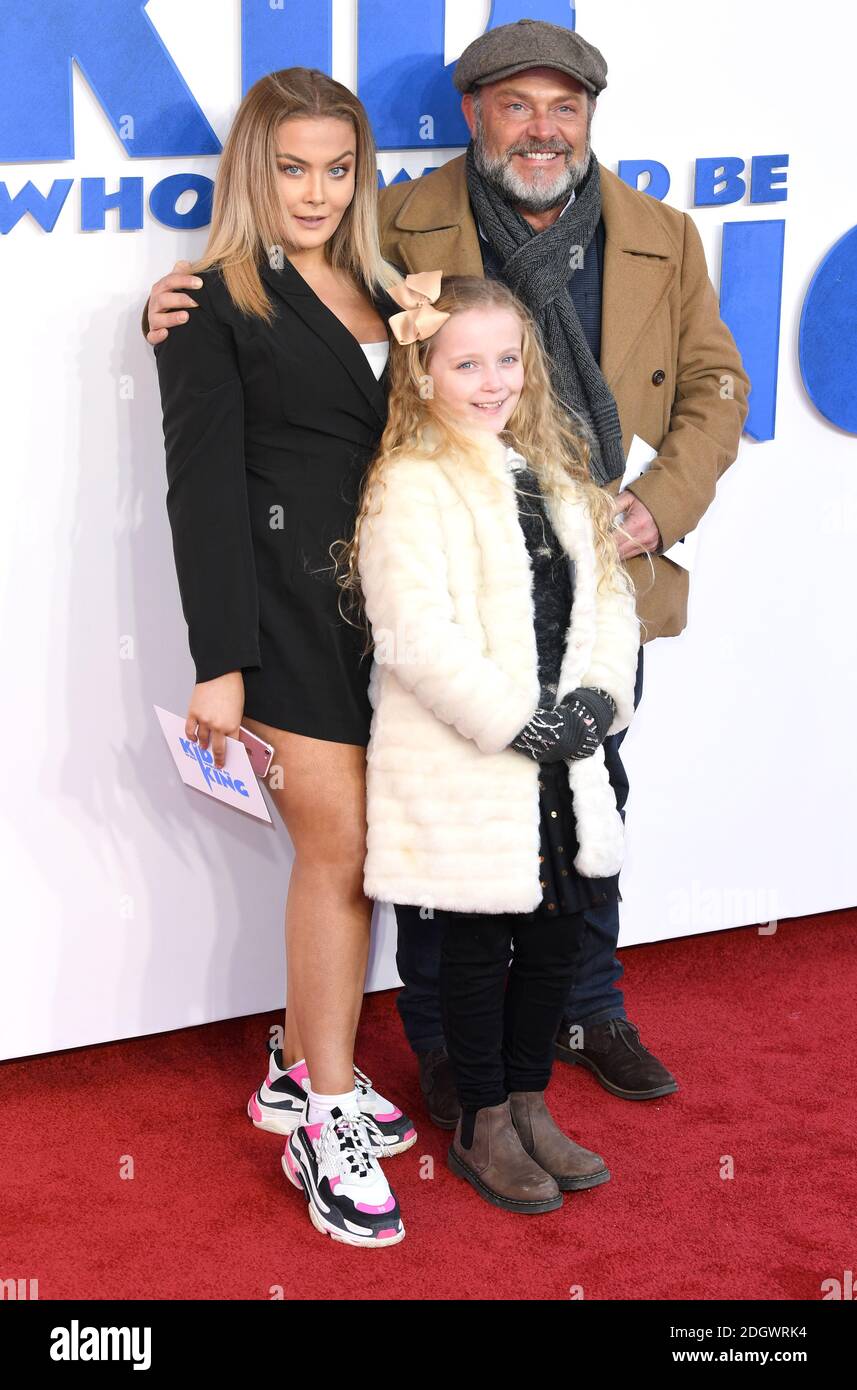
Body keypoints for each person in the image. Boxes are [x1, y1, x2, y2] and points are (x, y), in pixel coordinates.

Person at [143, 20, 750, 1128]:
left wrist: (646, 512)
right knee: (395, 833)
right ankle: (404, 1067)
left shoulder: (626, 238)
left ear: (589, 119)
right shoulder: (373, 241)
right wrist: (171, 308)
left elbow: (713, 385)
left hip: (544, 582)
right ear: (472, 115)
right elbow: (225, 440)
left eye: (561, 106)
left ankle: (569, 1013)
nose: (539, 126)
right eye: (514, 105)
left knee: (574, 801)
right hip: (373, 598)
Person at [153, 66, 416, 1248]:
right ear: (254, 170)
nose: (313, 191)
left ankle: (294, 1058)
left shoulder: (383, 285)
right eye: (291, 167)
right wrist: (220, 660)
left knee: (365, 853)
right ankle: (320, 1113)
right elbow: (198, 489)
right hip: (282, 616)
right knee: (342, 854)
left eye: (336, 166)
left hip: (397, 619)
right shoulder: (206, 301)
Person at [343, 270, 640, 1211]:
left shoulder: (551, 472)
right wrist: (518, 724)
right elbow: (414, 637)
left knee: (556, 939)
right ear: (420, 373)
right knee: (475, 951)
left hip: (563, 766)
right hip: (476, 763)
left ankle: (528, 1099)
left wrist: (595, 701)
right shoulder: (408, 484)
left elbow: (609, 603)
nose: (492, 380)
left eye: (506, 359)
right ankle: (480, 1120)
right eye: (465, 363)